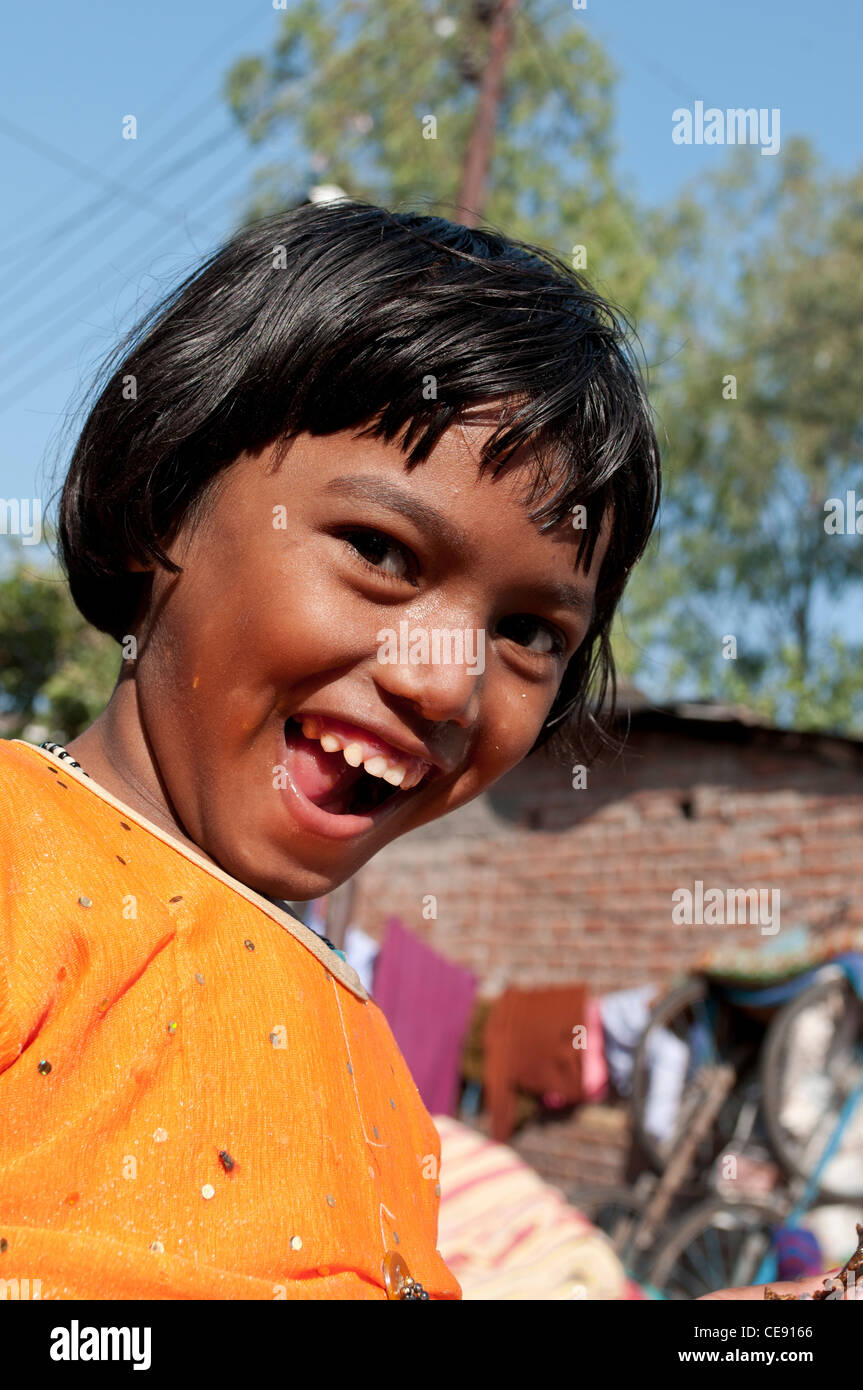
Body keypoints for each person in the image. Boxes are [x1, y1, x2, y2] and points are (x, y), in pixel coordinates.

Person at [0, 198, 661, 1300]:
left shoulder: (370, 1066)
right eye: (378, 550)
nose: (444, 678)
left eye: (527, 632)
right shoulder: (22, 861)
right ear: (162, 499)